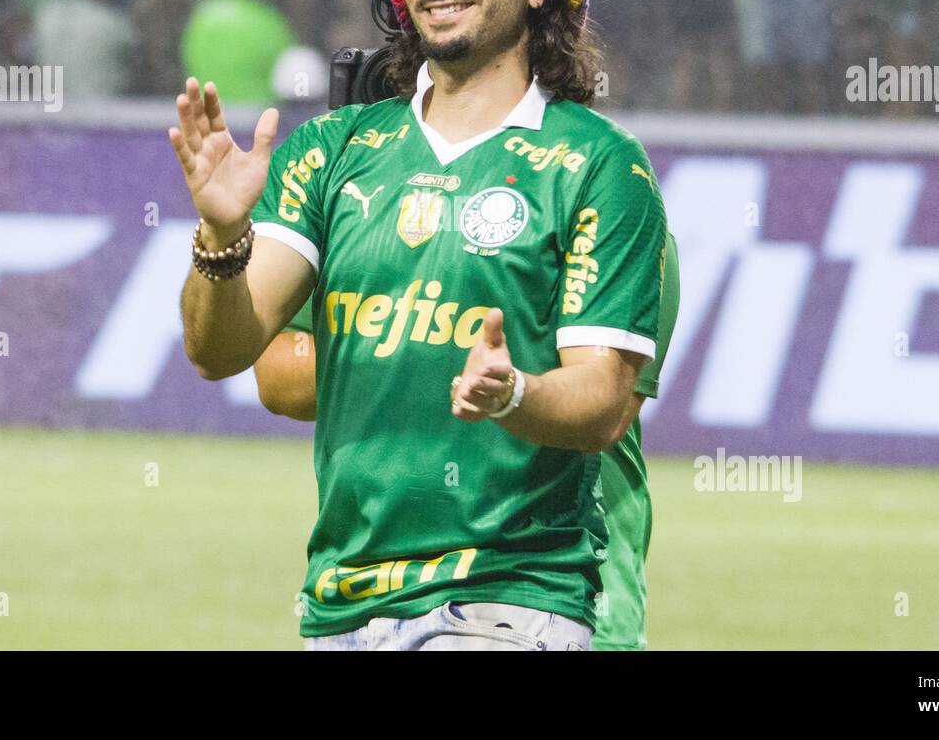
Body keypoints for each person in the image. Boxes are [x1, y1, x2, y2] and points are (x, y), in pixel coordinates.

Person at [170, 0, 669, 650]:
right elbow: (223, 353)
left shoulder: (600, 165)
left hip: (508, 600)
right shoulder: (332, 152)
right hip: (340, 604)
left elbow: (603, 404)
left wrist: (511, 395)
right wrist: (223, 237)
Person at [254, 233, 680, 650]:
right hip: (364, 596)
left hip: (549, 601)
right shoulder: (365, 204)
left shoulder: (610, 211)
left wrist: (409, 349)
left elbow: (604, 410)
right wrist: (429, 347)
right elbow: (277, 379)